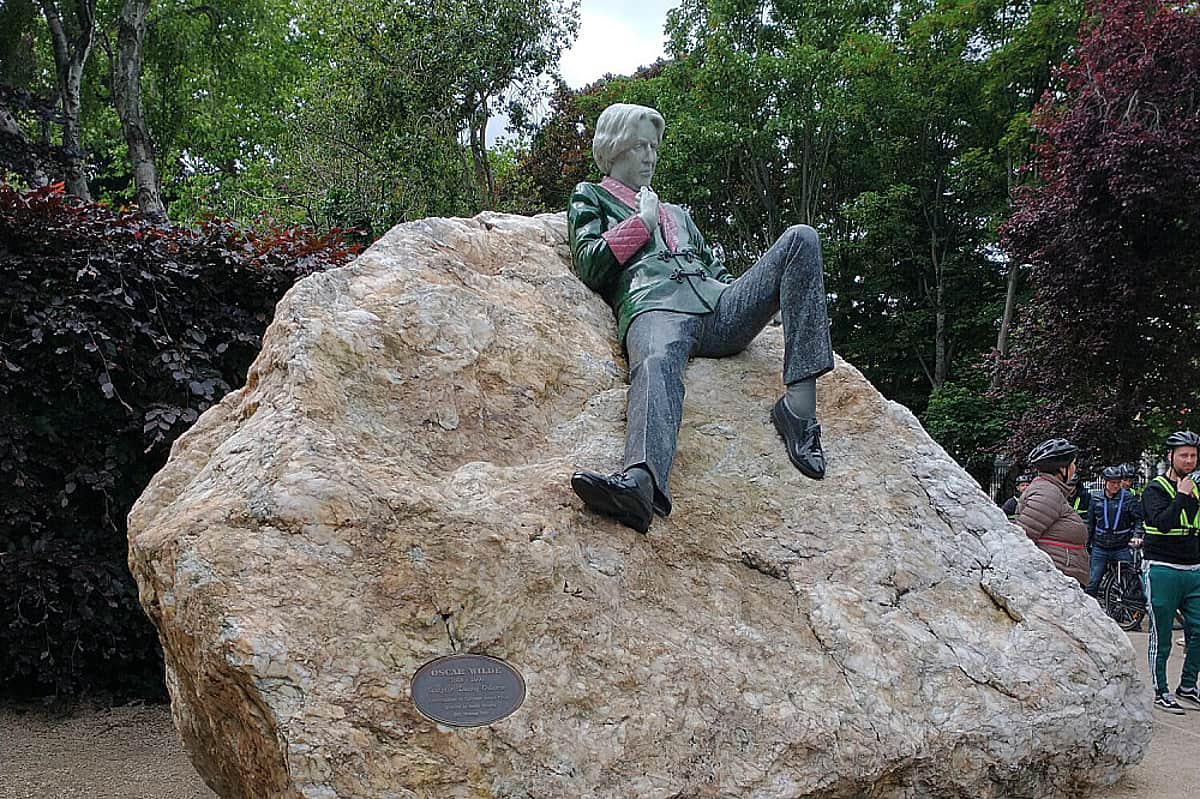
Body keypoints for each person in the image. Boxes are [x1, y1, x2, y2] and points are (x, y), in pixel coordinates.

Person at [565, 103, 833, 533]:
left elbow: (717, 270)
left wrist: (763, 300)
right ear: (612, 151)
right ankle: (640, 483)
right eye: (638, 147)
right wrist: (641, 222)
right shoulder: (589, 196)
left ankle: (799, 413)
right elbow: (592, 265)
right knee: (655, 364)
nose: (650, 157)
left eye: (653, 147)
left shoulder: (681, 215)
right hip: (655, 306)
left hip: (716, 307)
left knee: (802, 238)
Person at [1139, 430, 1200, 714]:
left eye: (1193, 455)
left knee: (1198, 631)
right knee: (1162, 635)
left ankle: (1187, 686)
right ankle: (1160, 690)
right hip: (1162, 567)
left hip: (1194, 568)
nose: (1189, 460)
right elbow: (1162, 523)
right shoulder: (1155, 489)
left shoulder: (1196, 489)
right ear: (1170, 457)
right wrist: (1180, 495)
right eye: (1183, 455)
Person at [1013, 438, 1089, 586]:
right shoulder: (1047, 494)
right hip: (1055, 577)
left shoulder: (1049, 490)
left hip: (1059, 574)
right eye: (1072, 464)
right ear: (1062, 469)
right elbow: (1023, 536)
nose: (1074, 468)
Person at [1085, 465, 1143, 597]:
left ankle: (1131, 609)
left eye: (1118, 483)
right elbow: (1091, 523)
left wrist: (1136, 535)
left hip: (1121, 547)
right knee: (1093, 582)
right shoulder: (1095, 498)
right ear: (1105, 482)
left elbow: (1138, 520)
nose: (1116, 486)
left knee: (1131, 581)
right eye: (1112, 483)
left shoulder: (1128, 498)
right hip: (1100, 547)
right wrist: (1087, 544)